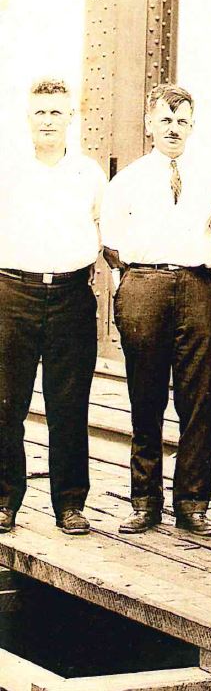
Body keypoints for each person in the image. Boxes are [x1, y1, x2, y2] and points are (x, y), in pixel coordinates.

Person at [101, 84, 211, 537]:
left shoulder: (210, 177)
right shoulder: (127, 180)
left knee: (200, 398)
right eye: (166, 120)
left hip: (195, 284)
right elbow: (112, 246)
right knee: (146, 398)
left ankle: (193, 502)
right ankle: (144, 501)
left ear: (192, 126)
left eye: (182, 121)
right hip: (145, 284)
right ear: (150, 124)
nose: (174, 129)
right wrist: (137, 284)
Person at [0, 78, 105, 536]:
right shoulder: (6, 168)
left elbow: (106, 232)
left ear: (70, 119)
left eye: (56, 113)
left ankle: (70, 504)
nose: (48, 121)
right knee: (6, 407)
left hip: (70, 296)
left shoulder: (89, 173)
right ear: (28, 119)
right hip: (12, 294)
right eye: (40, 113)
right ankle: (4, 501)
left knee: (69, 406)